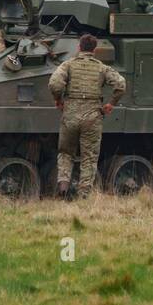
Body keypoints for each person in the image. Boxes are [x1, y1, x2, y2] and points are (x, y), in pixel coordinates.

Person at [48, 34, 125, 198]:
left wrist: (58, 100)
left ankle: (63, 186)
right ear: (95, 50)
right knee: (88, 157)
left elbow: (55, 83)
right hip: (92, 116)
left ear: (79, 48)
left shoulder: (68, 65)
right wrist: (111, 103)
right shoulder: (101, 67)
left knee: (65, 152)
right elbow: (120, 84)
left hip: (70, 114)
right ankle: (83, 194)